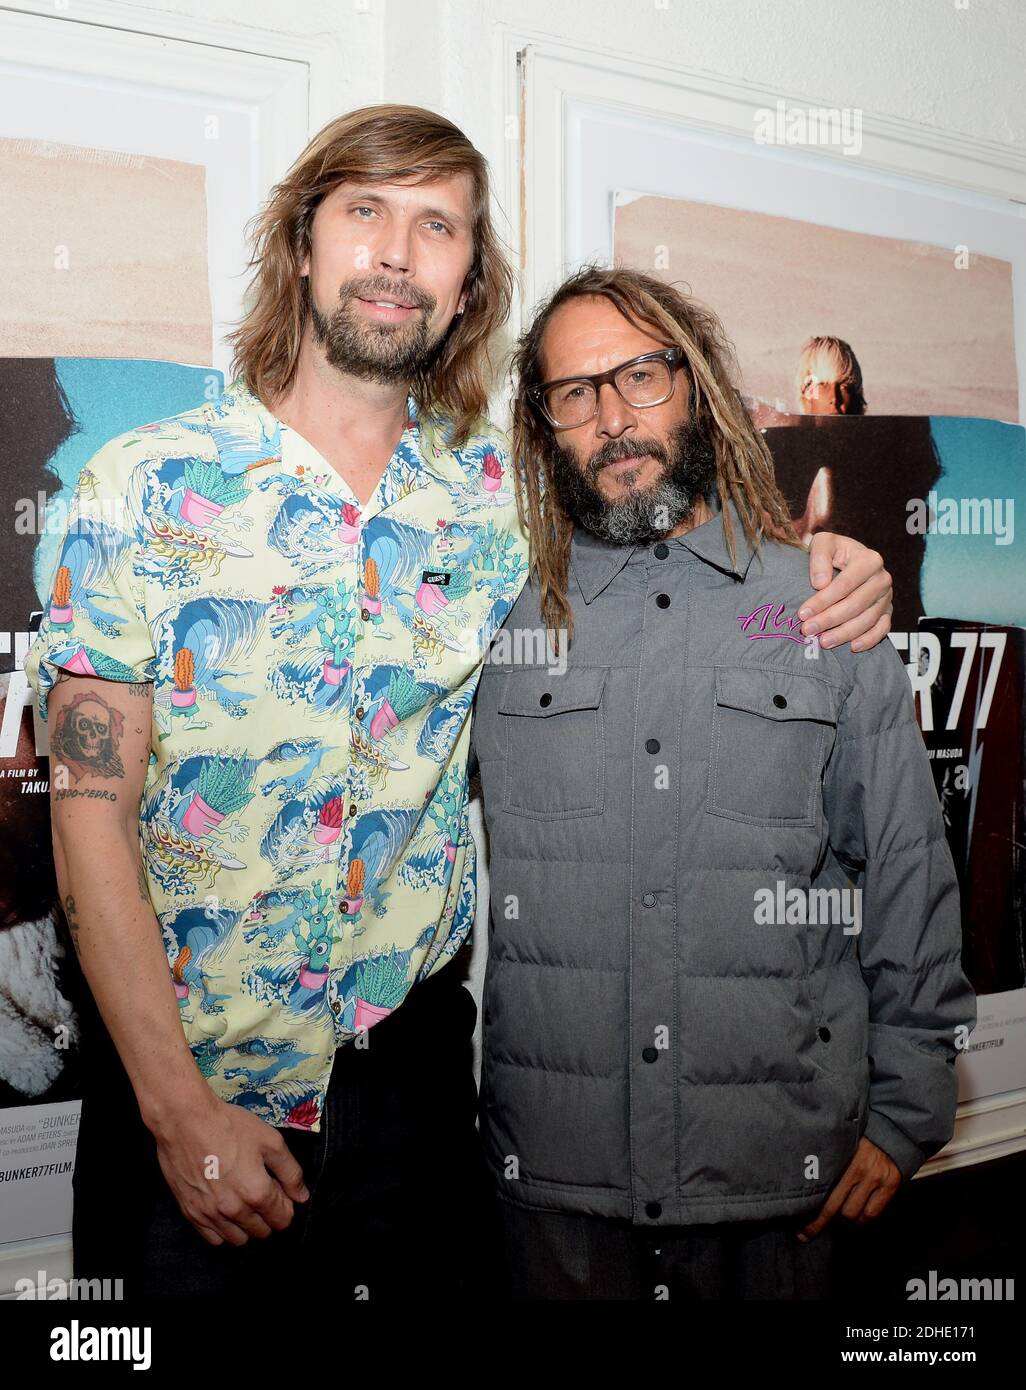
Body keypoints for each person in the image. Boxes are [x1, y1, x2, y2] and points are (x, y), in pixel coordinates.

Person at [24, 105, 893, 1301]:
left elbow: (671, 540)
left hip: (415, 1108)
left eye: (438, 226)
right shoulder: (140, 486)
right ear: (301, 246)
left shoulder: (501, 498)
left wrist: (831, 569)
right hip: (182, 1082)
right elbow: (86, 811)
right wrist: (177, 1108)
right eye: (365, 213)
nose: (396, 253)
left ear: (468, 278)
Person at [469, 265, 976, 1300]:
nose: (612, 418)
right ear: (544, 429)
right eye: (575, 394)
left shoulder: (825, 607)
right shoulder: (494, 619)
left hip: (784, 1198)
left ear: (696, 383)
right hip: (557, 1207)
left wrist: (906, 1112)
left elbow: (908, 877)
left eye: (641, 376)